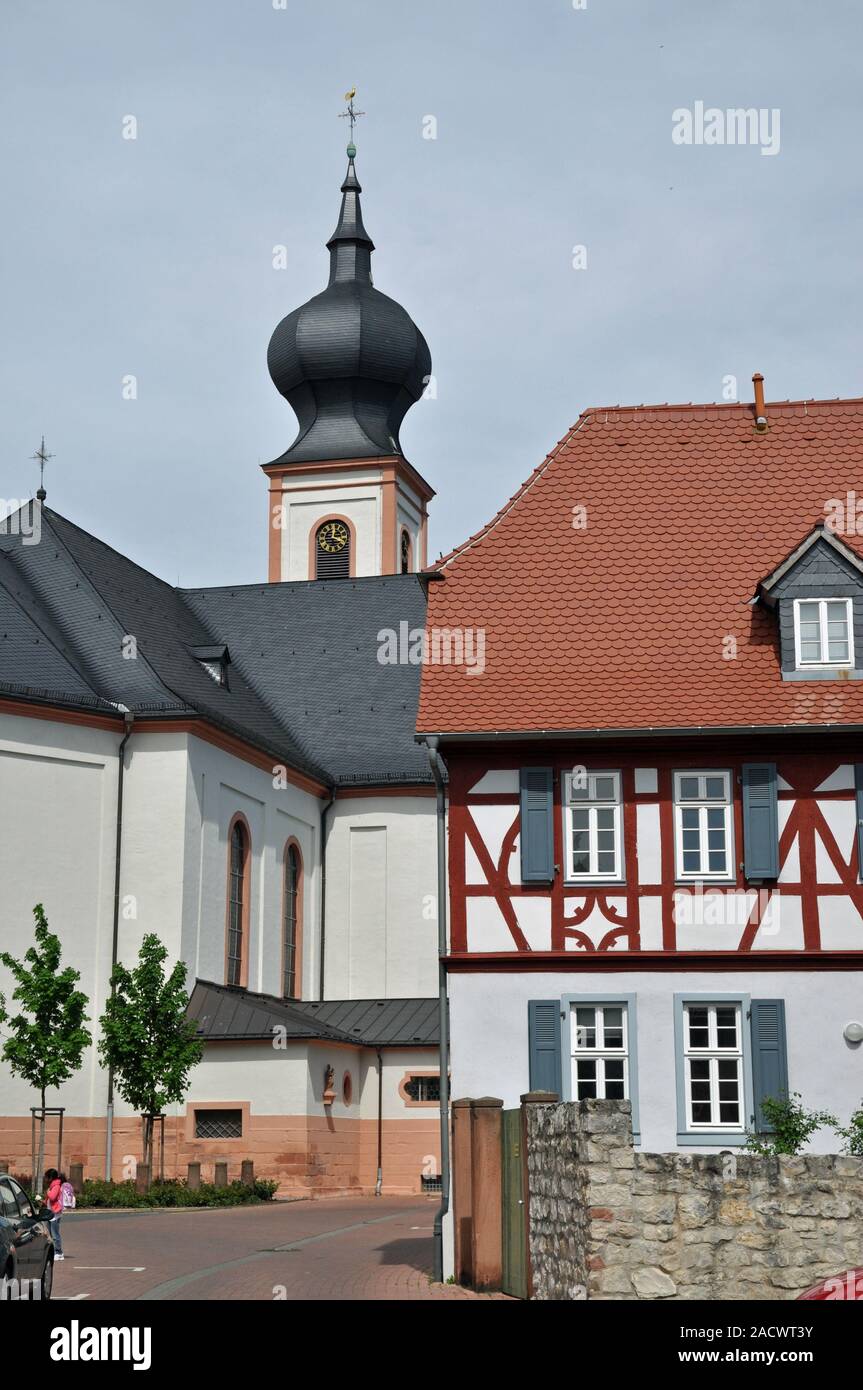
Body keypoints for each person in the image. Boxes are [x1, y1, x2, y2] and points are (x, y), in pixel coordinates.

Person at [43, 1168, 64, 1260]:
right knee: (49, 1234)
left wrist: (48, 1192)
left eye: (46, 1177)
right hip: (50, 1214)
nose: (45, 1179)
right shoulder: (52, 1186)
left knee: (55, 1234)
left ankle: (59, 1252)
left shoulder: (56, 1186)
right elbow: (49, 1200)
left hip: (55, 1215)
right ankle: (52, 1251)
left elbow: (52, 1197)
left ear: (51, 1178)